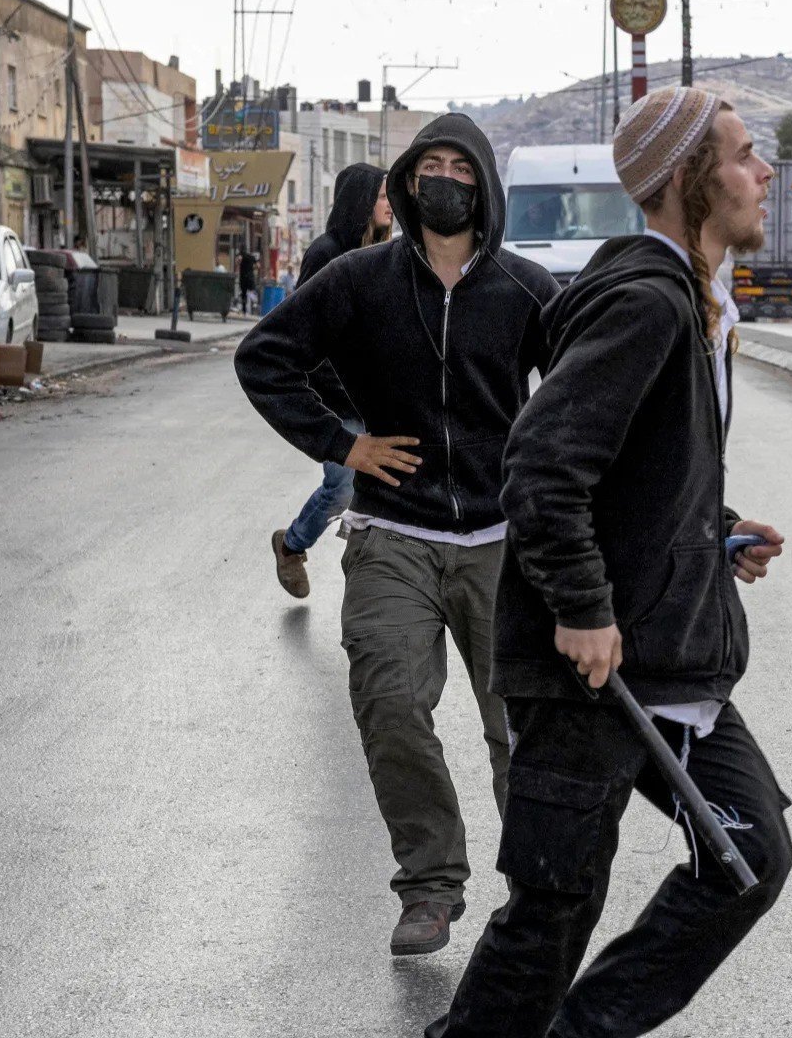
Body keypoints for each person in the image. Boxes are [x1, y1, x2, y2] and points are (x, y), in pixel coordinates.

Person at [427, 87, 792, 1038]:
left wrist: (709, 531)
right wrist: (584, 606)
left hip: (672, 661)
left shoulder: (692, 303)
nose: (763, 174)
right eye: (745, 155)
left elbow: (631, 469)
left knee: (750, 858)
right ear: (689, 180)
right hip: (596, 670)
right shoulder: (646, 306)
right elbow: (544, 467)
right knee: (551, 912)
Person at [234, 114, 559, 956]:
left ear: (485, 185)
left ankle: (535, 891)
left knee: (517, 729)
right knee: (388, 704)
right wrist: (344, 446)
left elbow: (594, 406)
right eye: (431, 166)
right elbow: (264, 358)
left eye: (462, 166)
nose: (446, 178)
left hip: (500, 545)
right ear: (410, 183)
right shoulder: (358, 281)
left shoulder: (527, 292)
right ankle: (429, 886)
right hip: (390, 535)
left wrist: (708, 521)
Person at [265, 162, 391, 598]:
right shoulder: (326, 253)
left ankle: (374, 580)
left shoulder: (381, 251)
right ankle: (292, 544)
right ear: (361, 201)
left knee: (379, 488)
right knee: (341, 487)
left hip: (375, 402)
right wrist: (338, 393)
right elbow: (305, 337)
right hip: (340, 403)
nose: (390, 204)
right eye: (381, 196)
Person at [237, 248, 259, 314]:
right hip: (250, 277)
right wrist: (252, 268)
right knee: (251, 291)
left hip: (243, 278)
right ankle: (255, 302)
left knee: (244, 294)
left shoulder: (241, 256)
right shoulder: (252, 257)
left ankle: (244, 310)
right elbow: (258, 266)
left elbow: (238, 261)